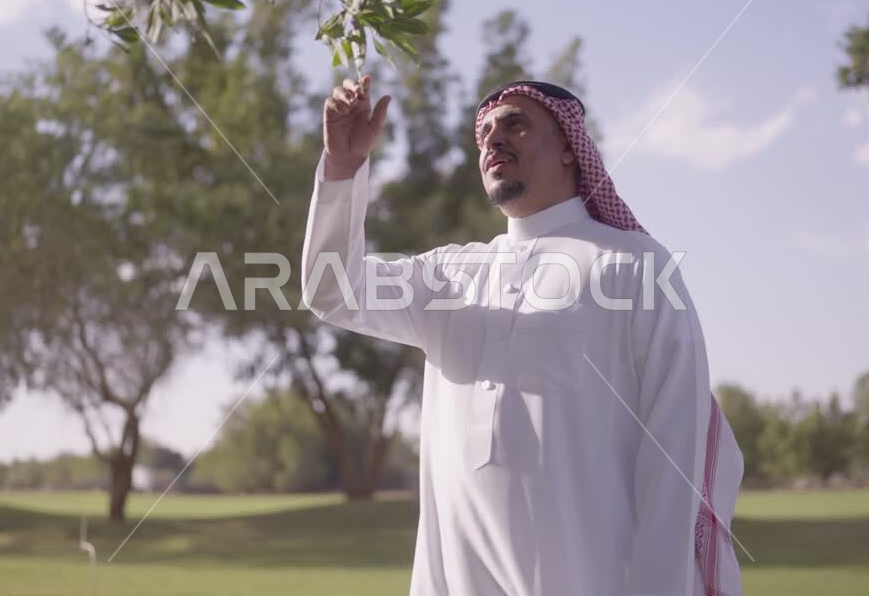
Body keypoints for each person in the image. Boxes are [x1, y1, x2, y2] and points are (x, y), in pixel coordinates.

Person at [302, 75, 744, 596]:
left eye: (515, 123)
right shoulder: (449, 273)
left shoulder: (634, 264)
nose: (492, 137)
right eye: (484, 131)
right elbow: (332, 290)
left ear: (568, 149)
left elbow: (676, 458)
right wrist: (343, 167)